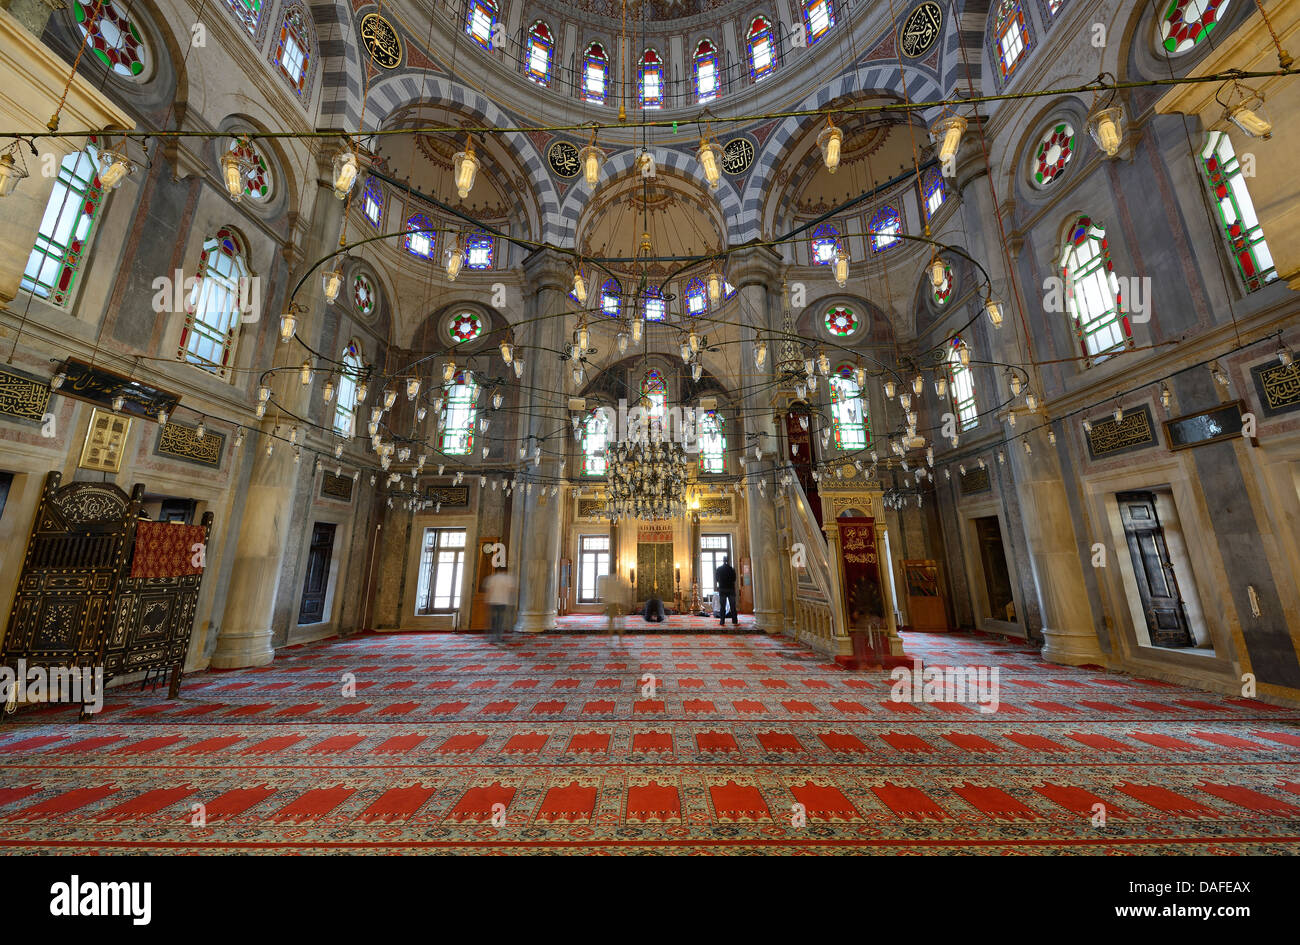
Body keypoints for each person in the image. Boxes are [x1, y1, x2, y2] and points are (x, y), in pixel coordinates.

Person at [483, 567, 515, 643]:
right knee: (500, 620)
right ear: (505, 571)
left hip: (493, 601)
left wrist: (486, 600)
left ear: (497, 570)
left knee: (493, 620)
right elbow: (512, 590)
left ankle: (492, 637)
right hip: (503, 601)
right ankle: (499, 637)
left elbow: (489, 590)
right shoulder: (508, 578)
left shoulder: (492, 578)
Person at [714, 556, 738, 626]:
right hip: (731, 589)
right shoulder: (731, 569)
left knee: (722, 606)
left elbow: (717, 579)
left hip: (722, 589)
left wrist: (722, 582)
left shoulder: (719, 569)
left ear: (723, 560)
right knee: (733, 606)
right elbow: (734, 579)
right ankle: (735, 621)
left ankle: (722, 621)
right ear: (728, 560)